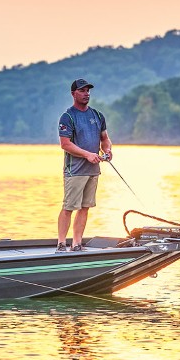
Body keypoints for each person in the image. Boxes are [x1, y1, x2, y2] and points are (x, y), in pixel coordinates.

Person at [57, 78, 112, 252]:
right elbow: (65, 144)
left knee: (85, 207)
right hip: (75, 171)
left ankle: (77, 243)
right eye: (82, 90)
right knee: (69, 207)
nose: (86, 93)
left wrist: (108, 151)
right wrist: (88, 154)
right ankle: (61, 243)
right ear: (73, 94)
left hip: (93, 171)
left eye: (88, 90)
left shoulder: (97, 115)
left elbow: (105, 138)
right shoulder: (68, 117)